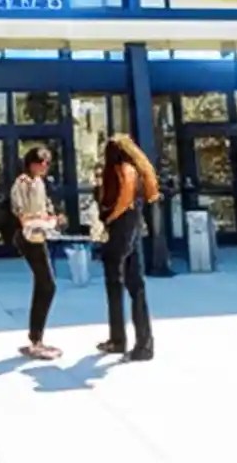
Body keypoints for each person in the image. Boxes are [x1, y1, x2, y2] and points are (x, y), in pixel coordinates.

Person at [95, 134, 157, 362]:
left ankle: (119, 340)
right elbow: (151, 195)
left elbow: (120, 201)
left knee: (114, 284)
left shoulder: (123, 170)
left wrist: (108, 218)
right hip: (135, 228)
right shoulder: (141, 170)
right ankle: (143, 343)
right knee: (136, 286)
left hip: (120, 229)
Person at [10, 146, 63, 360]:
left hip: (39, 235)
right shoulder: (22, 183)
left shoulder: (41, 183)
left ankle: (36, 336)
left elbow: (44, 208)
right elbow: (21, 213)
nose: (45, 166)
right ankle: (36, 338)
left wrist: (52, 219)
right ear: (32, 162)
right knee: (47, 284)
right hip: (28, 236)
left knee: (44, 284)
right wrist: (39, 221)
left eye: (47, 162)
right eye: (42, 162)